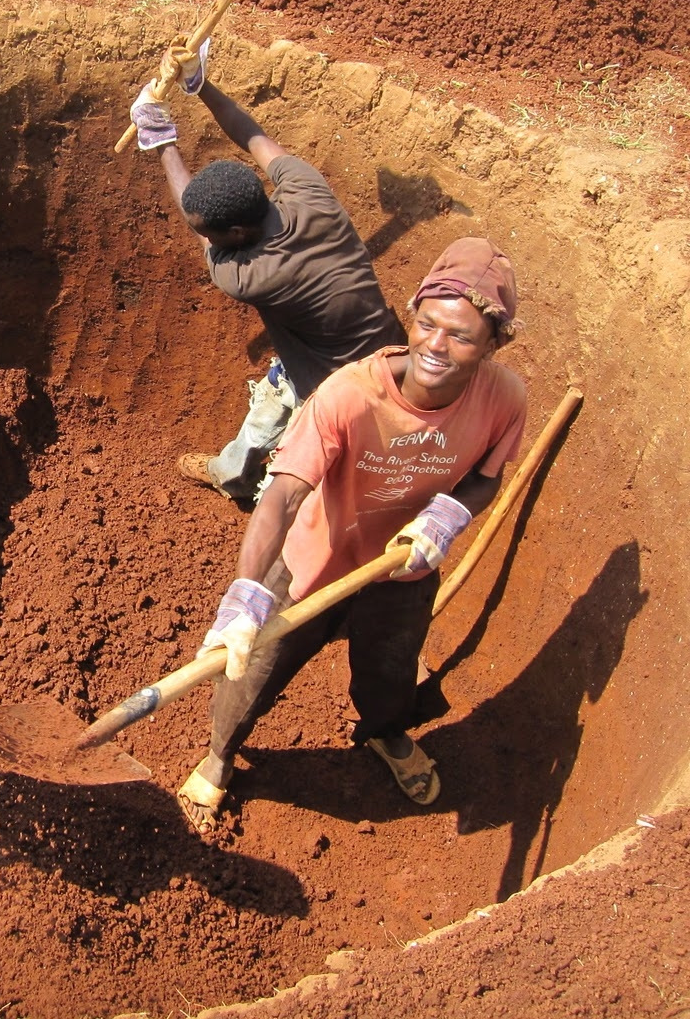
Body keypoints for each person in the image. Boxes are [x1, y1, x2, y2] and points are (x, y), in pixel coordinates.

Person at [175, 238, 527, 834]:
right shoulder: (348, 395)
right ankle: (220, 754)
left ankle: (386, 734)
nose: (435, 346)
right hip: (317, 561)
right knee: (253, 668)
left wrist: (447, 516)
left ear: (493, 343)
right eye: (427, 324)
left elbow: (486, 480)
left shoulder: (505, 398)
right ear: (413, 315)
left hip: (402, 571)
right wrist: (247, 593)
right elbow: (283, 494)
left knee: (391, 674)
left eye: (461, 336)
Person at [129, 41, 404, 498]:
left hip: (335, 384)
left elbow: (194, 219)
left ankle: (234, 478)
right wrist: (200, 85)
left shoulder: (248, 276)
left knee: (280, 415)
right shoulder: (308, 191)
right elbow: (252, 135)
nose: (207, 239)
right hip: (390, 352)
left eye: (214, 235)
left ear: (237, 233)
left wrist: (161, 142)